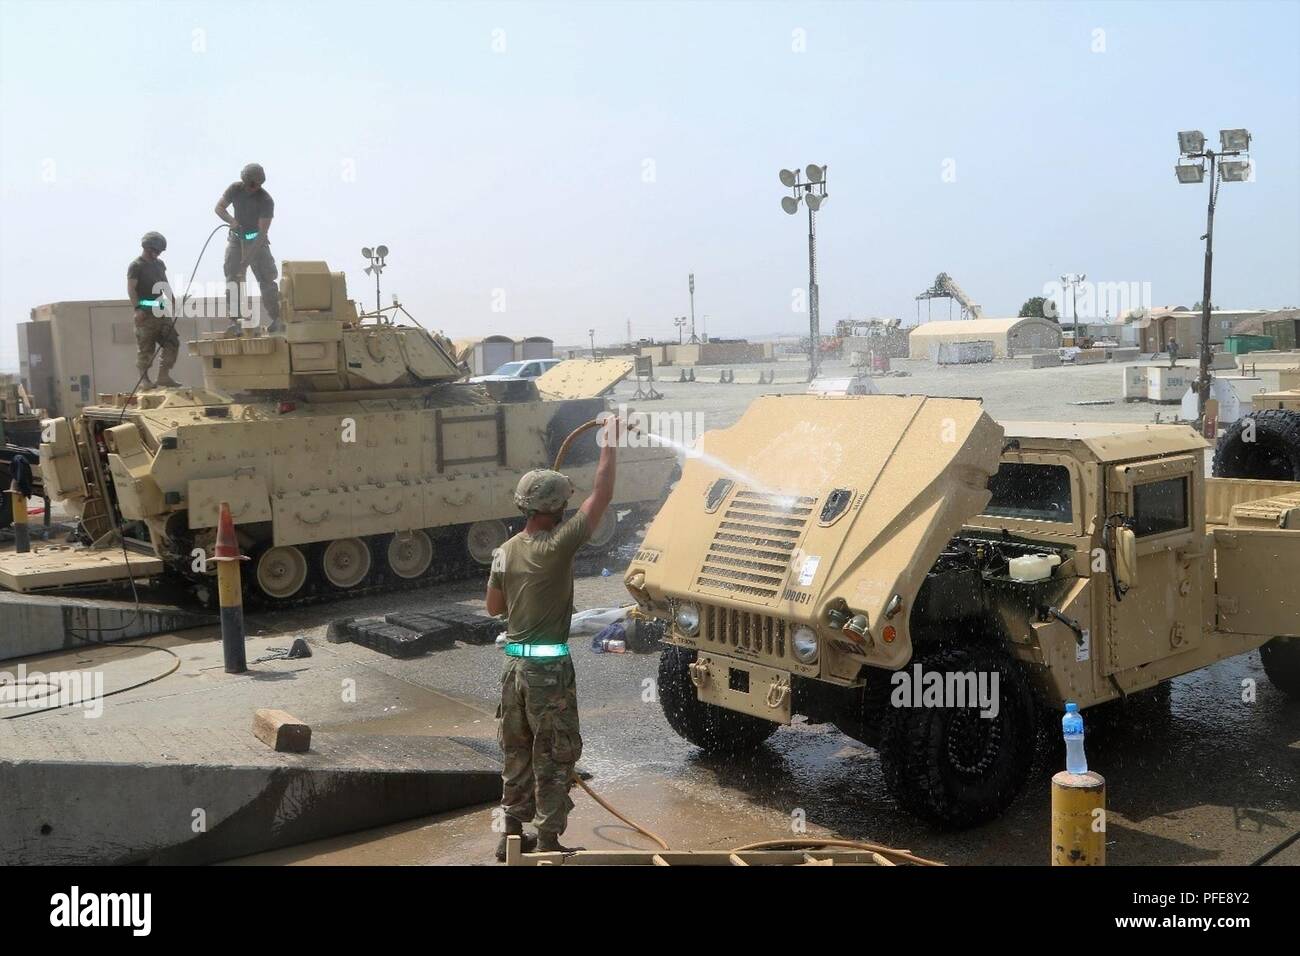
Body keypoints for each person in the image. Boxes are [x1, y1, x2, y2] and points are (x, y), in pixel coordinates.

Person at [486, 416, 623, 860]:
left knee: (516, 751)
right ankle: (546, 843)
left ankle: (510, 834)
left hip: (513, 669)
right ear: (558, 507)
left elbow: (493, 608)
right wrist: (611, 442)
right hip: (548, 672)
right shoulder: (559, 545)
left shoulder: (505, 551)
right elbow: (601, 494)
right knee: (555, 755)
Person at [215, 163, 282, 333]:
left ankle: (278, 318)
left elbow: (262, 233)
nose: (256, 187)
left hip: (257, 243)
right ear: (244, 181)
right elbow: (219, 208)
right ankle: (236, 321)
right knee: (233, 279)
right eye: (253, 184)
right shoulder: (235, 189)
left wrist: (247, 259)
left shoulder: (266, 200)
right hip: (236, 240)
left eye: (259, 184)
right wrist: (232, 221)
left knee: (267, 279)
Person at [126, 231, 180, 388]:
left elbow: (164, 282)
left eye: (159, 251)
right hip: (145, 311)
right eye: (155, 250)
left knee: (172, 342)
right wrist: (137, 309)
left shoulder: (159, 264)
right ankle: (145, 380)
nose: (157, 253)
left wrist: (172, 299)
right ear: (147, 247)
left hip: (161, 310)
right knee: (146, 347)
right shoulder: (136, 266)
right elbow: (131, 288)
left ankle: (164, 376)